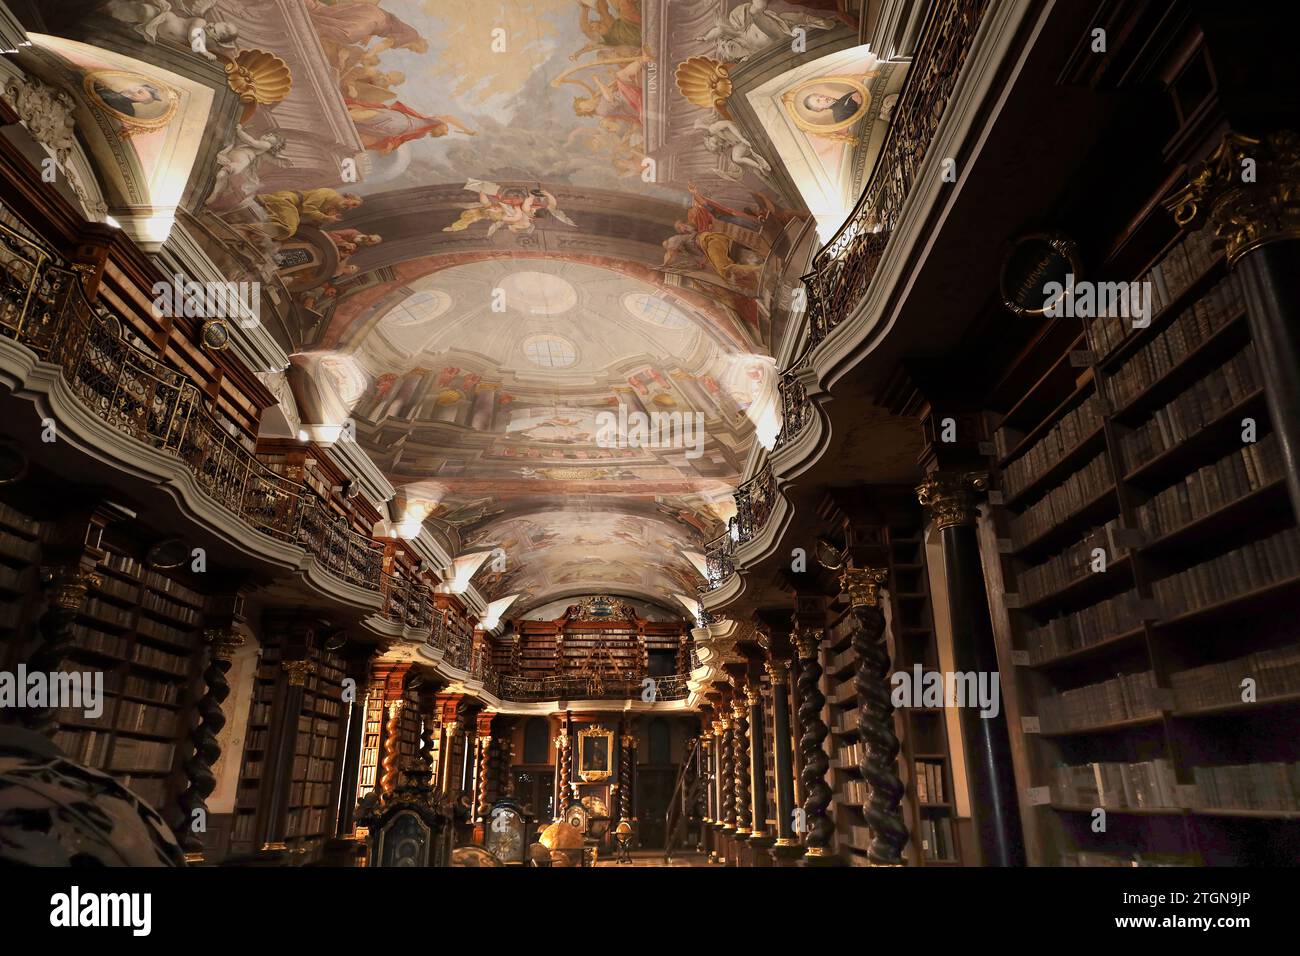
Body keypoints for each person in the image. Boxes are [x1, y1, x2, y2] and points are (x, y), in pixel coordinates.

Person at [94, 80, 163, 117]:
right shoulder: (105, 86)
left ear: (142, 101)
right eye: (137, 88)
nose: (133, 90)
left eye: (139, 92)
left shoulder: (128, 111)